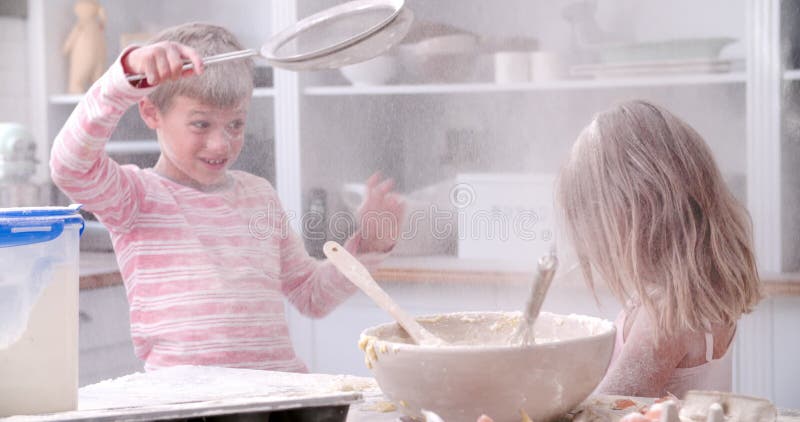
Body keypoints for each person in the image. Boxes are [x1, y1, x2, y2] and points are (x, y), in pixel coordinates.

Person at [50, 22, 404, 372]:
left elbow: (311, 294)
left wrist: (367, 248)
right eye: (201, 124)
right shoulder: (136, 198)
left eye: (235, 124)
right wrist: (124, 80)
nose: (221, 143)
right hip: (186, 404)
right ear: (150, 112)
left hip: (277, 396)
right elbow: (69, 166)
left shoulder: (259, 196)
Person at [556, 100, 762, 398]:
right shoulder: (696, 296)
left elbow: (607, 411)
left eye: (594, 220)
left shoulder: (666, 316)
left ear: (637, 210)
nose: (592, 245)